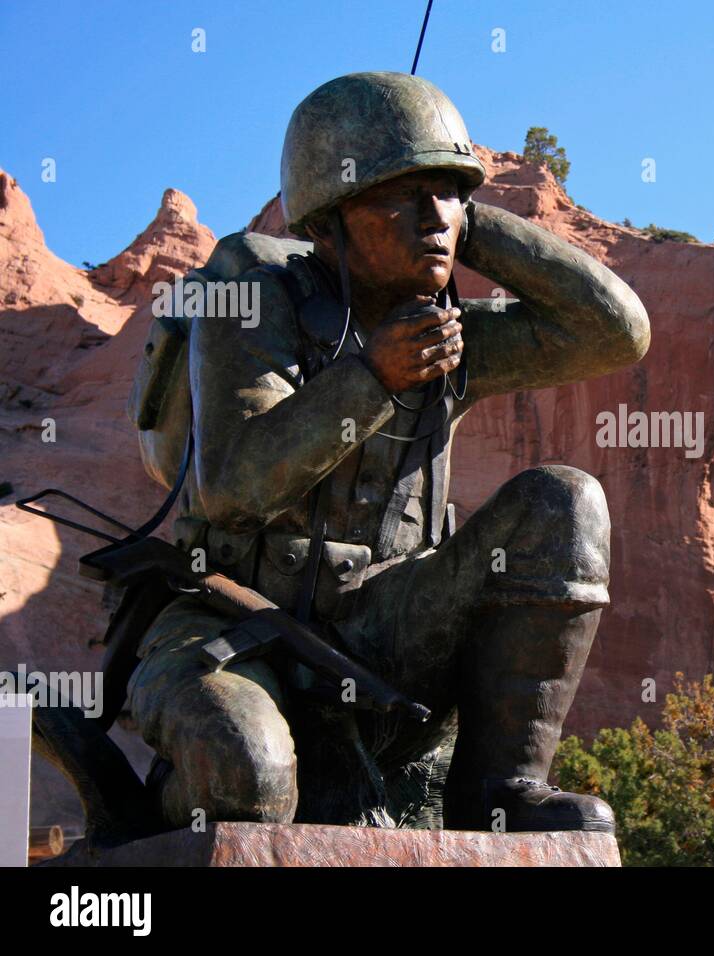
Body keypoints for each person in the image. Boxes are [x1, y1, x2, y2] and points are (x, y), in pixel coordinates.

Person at [125, 71, 650, 833]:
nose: (433, 217)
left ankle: (499, 791)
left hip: (386, 621)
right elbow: (233, 488)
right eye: (402, 195)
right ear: (329, 219)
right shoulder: (253, 290)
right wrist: (371, 378)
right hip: (234, 622)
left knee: (564, 501)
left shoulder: (446, 332)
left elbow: (616, 331)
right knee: (251, 779)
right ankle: (161, 819)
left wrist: (468, 227)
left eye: (447, 192)